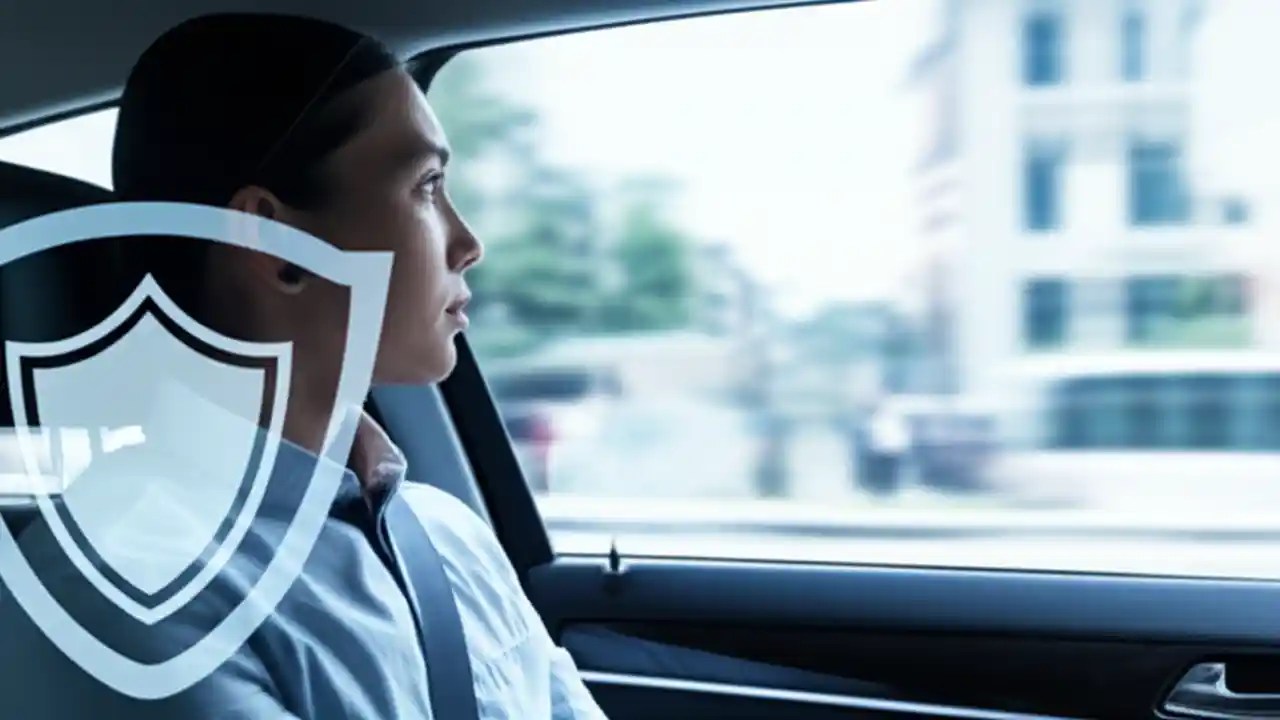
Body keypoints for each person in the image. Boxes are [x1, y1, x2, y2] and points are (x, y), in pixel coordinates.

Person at [0, 13, 607, 719]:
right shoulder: (124, 586)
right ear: (273, 244)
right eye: (428, 187)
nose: (468, 243)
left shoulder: (448, 533)